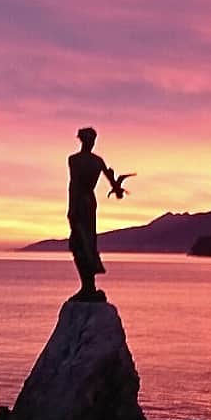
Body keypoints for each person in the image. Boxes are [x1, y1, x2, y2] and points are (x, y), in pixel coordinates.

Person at [67, 127, 126, 301]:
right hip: (90, 202)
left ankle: (87, 286)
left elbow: (74, 185)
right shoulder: (98, 161)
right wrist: (117, 186)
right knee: (87, 242)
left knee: (79, 244)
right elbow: (115, 188)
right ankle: (88, 285)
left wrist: (71, 209)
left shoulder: (74, 160)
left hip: (80, 201)